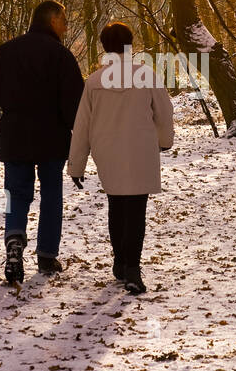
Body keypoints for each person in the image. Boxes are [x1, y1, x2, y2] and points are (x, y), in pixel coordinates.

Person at [0, 0, 85, 288]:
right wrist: (80, 138)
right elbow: (77, 105)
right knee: (51, 195)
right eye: (64, 20)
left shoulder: (7, 51)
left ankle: (13, 239)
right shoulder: (61, 56)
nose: (66, 26)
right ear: (52, 20)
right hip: (52, 138)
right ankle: (47, 254)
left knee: (15, 194)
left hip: (15, 137)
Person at [67, 22, 175, 295]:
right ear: (131, 44)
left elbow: (82, 125)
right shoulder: (146, 75)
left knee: (116, 204)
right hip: (140, 149)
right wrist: (164, 142)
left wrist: (76, 165)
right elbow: (164, 113)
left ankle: (120, 261)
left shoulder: (94, 81)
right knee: (136, 208)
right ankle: (132, 268)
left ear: (104, 46)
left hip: (107, 151)